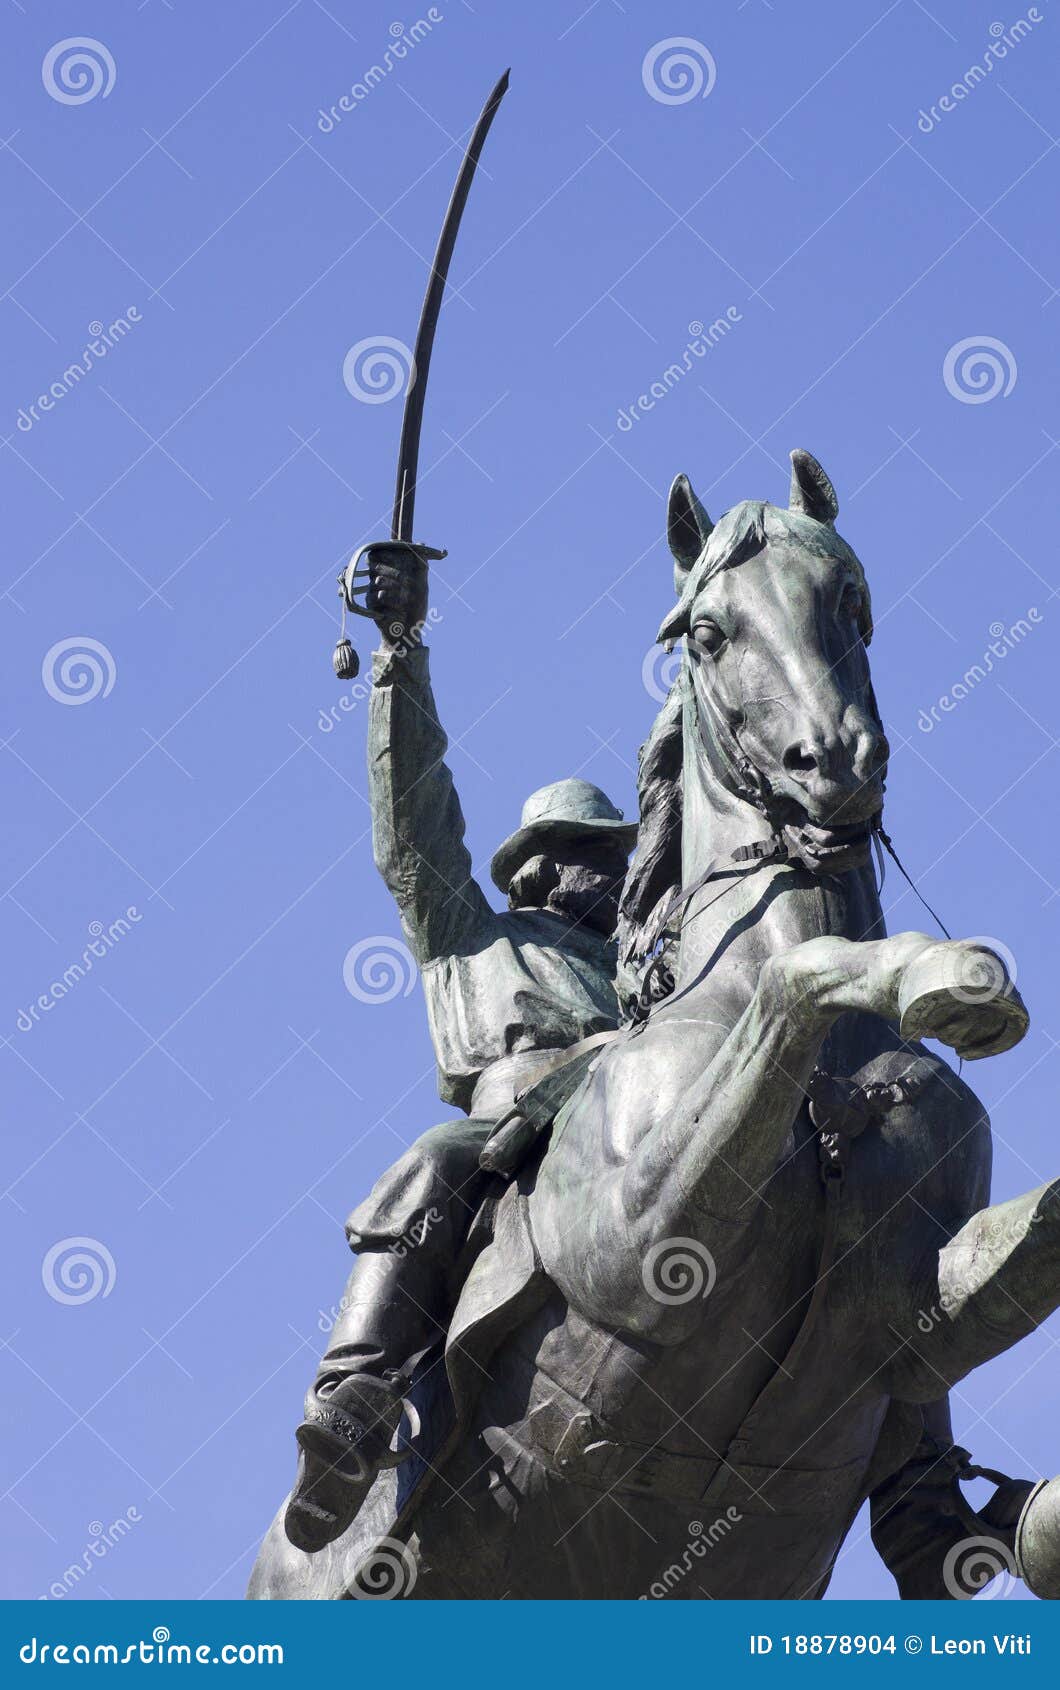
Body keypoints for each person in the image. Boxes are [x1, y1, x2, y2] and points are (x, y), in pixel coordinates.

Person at [284, 541, 636, 1553]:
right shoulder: (470, 934)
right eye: (590, 851)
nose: (612, 871)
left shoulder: (647, 972)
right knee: (433, 1159)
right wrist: (401, 654)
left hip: (631, 1134)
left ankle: (917, 1492)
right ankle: (354, 1400)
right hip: (510, 1145)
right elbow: (413, 822)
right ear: (538, 869)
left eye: (616, 852)